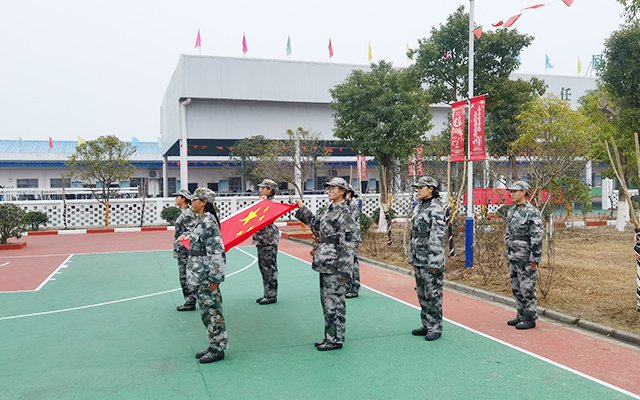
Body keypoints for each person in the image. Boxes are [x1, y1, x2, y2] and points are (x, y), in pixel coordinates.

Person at [294, 177, 358, 351]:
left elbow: (349, 243)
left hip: (336, 265)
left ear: (342, 192)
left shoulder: (345, 213)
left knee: (335, 302)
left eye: (333, 188)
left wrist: (345, 272)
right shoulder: (329, 210)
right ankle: (330, 336)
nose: (329, 190)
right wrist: (302, 210)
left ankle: (336, 338)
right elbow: (317, 225)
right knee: (327, 302)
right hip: (326, 263)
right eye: (329, 187)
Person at [178, 187, 228, 363]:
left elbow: (216, 250)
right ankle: (213, 344)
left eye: (195, 200)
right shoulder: (201, 221)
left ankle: (218, 349)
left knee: (213, 312)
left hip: (207, 276)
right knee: (206, 313)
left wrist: (215, 276)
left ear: (204, 202)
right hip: (200, 275)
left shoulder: (209, 222)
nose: (192, 202)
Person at [408, 176, 446, 341]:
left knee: (433, 293)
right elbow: (414, 234)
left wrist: (435, 261)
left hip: (430, 258)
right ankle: (426, 324)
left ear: (430, 189)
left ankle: (435, 327)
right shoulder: (419, 207)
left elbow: (437, 236)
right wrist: (412, 255)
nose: (418, 191)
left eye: (420, 188)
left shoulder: (435, 209)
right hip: (419, 257)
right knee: (422, 293)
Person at [505, 180, 542, 330]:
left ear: (524, 192)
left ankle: (530, 317)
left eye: (515, 191)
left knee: (527, 288)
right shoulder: (512, 211)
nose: (512, 194)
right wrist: (508, 246)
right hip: (513, 255)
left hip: (526, 256)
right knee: (516, 287)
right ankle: (520, 314)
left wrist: (535, 258)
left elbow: (536, 236)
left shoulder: (532, 211)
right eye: (511, 191)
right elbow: (508, 232)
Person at [253, 179, 280, 305]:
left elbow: (267, 218)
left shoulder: (271, 203)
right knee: (263, 267)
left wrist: (262, 204)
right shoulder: (264, 202)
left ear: (270, 190)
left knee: (269, 268)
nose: (260, 190)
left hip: (268, 239)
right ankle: (267, 292)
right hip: (262, 239)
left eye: (263, 188)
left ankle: (271, 295)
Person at [173, 189, 197, 312]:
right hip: (182, 249)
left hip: (185, 250)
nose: (176, 198)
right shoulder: (184, 212)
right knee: (185, 276)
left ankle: (190, 301)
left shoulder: (187, 213)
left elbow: (193, 229)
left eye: (178, 196)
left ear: (183, 199)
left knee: (185, 276)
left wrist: (184, 236)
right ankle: (190, 300)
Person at [345, 184, 361, 299]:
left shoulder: (353, 204)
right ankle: (347, 285)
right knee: (347, 262)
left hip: (352, 237)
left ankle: (354, 287)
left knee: (352, 262)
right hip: (346, 237)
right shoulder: (346, 204)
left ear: (349, 193)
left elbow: (350, 221)